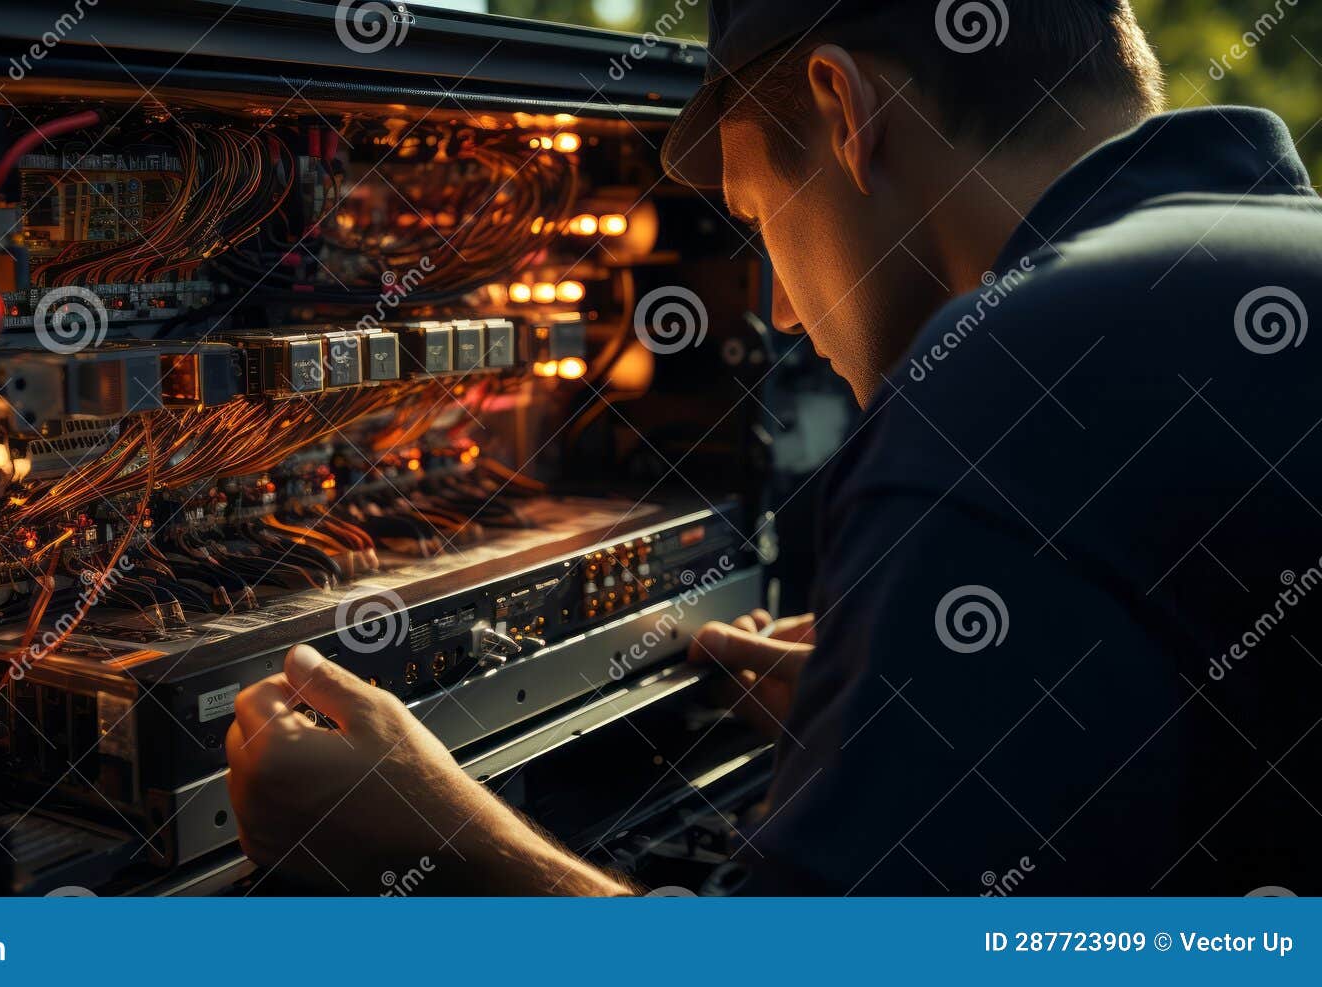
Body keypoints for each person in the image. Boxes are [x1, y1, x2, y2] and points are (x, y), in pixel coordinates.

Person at [225, 0, 1322, 894]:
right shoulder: (1261, 261)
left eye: (756, 219)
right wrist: (904, 725)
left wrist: (444, 844)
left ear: (843, 108)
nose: (784, 320)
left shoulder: (1011, 369)